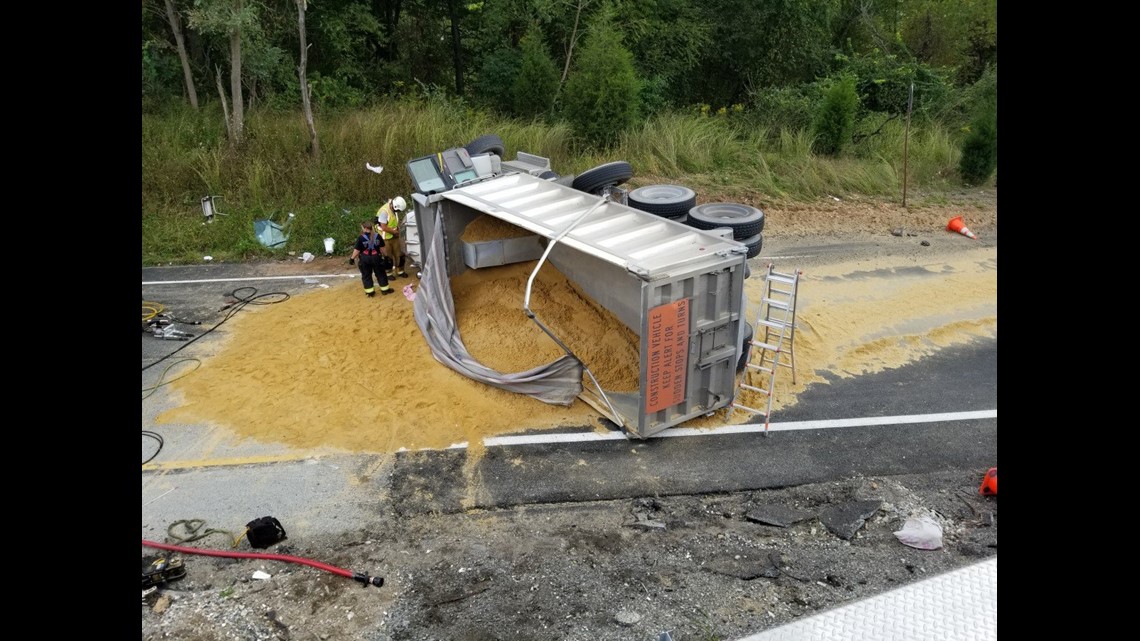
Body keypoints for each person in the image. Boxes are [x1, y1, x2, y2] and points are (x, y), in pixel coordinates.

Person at [348, 220, 393, 297]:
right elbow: (382, 248)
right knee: (381, 274)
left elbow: (357, 250)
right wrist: (386, 257)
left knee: (366, 275)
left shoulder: (361, 238)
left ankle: (370, 292)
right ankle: (385, 290)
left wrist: (352, 258)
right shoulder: (378, 236)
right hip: (376, 258)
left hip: (365, 259)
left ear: (365, 228)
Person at [376, 195, 409, 278]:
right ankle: (389, 273)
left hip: (394, 236)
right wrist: (394, 232)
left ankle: (400, 271)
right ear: (394, 206)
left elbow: (393, 221)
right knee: (387, 257)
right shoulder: (384, 212)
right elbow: (383, 227)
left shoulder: (394, 210)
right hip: (385, 238)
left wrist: (396, 230)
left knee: (399, 254)